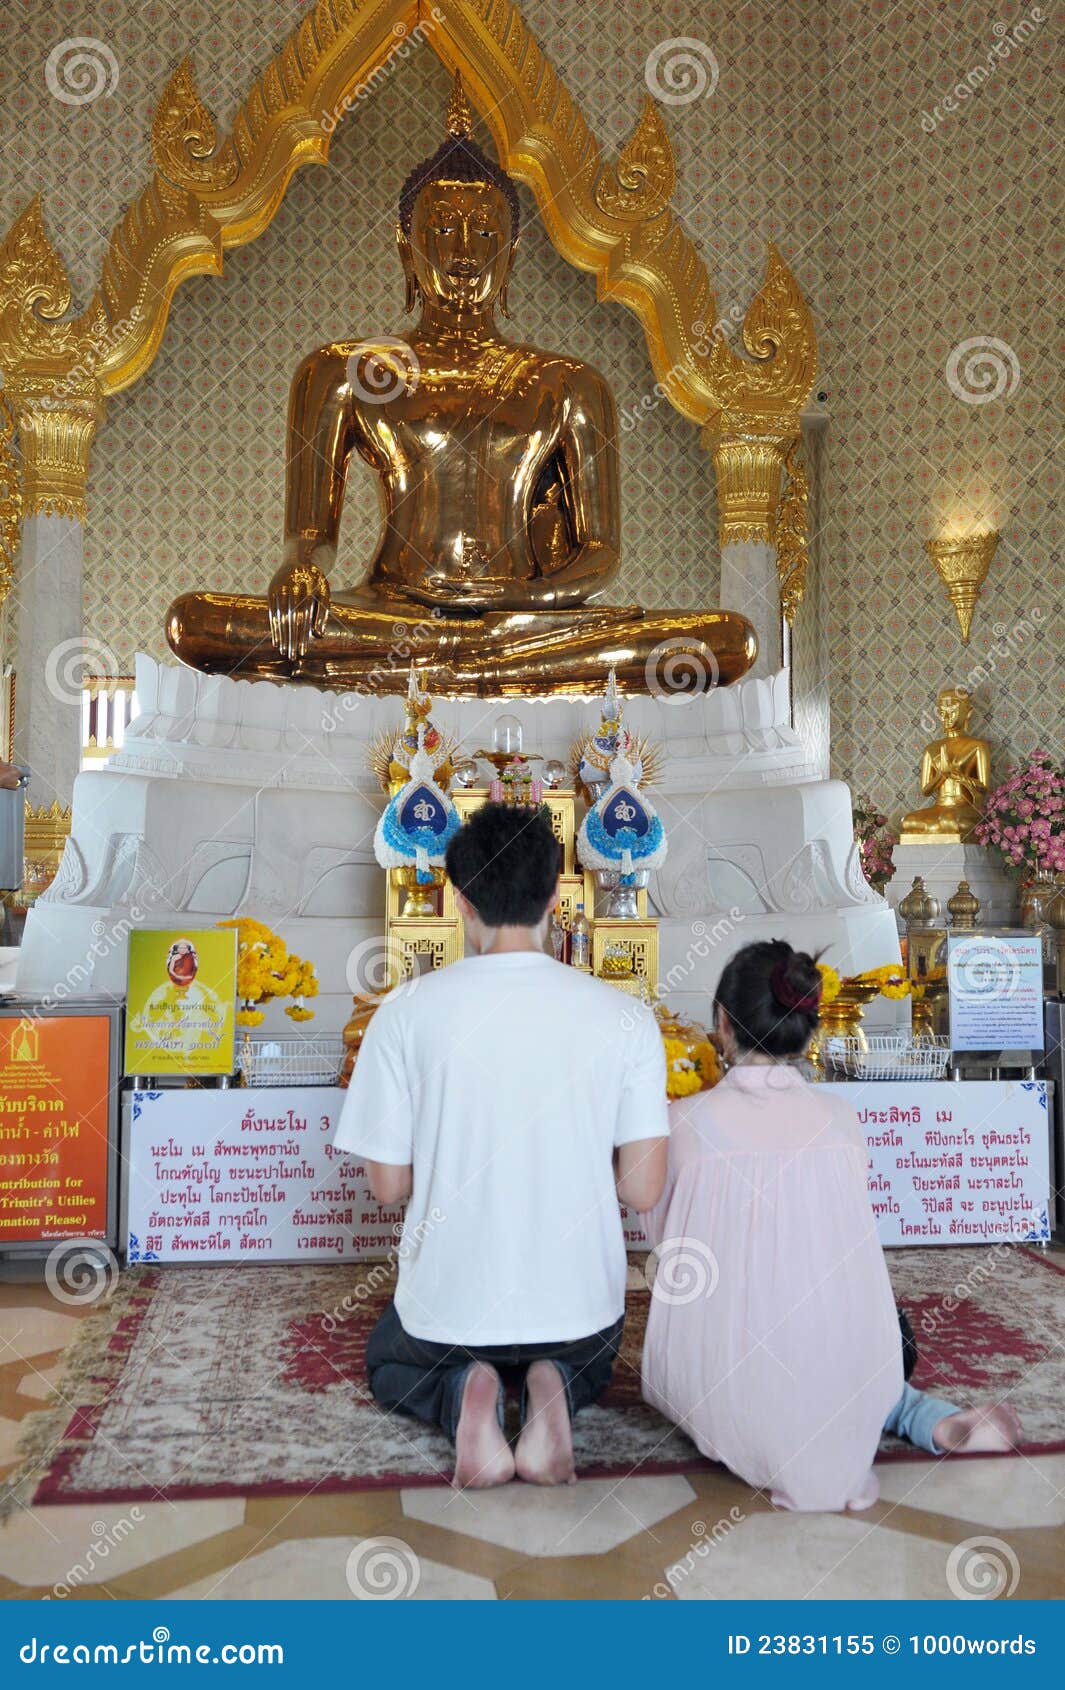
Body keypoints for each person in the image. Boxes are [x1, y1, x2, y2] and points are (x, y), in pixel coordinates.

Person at [334, 802, 668, 1489]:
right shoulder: (627, 1019)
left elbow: (388, 1187)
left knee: (391, 1364)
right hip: (578, 1311)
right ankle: (556, 1383)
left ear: (459, 902)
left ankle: (464, 1391)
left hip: (447, 1309)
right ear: (554, 897)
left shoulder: (401, 1014)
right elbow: (641, 1190)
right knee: (592, 1357)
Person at [640, 939, 1018, 1513]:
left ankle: (873, 1405)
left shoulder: (684, 1123)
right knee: (868, 1337)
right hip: (839, 1360)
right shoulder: (841, 1122)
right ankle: (913, 1411)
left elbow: (666, 1241)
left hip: (723, 1387)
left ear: (721, 1022)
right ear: (810, 1025)